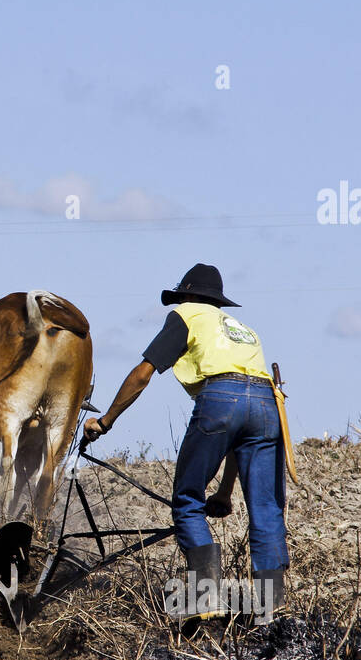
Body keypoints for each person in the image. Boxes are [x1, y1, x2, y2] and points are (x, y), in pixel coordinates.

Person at [83, 264, 287, 621]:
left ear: (189, 296)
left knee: (188, 501)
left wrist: (105, 420)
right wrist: (224, 493)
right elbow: (244, 430)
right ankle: (271, 608)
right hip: (267, 404)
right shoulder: (243, 331)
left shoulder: (186, 314)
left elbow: (143, 374)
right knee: (266, 507)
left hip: (221, 398)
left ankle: (207, 600)